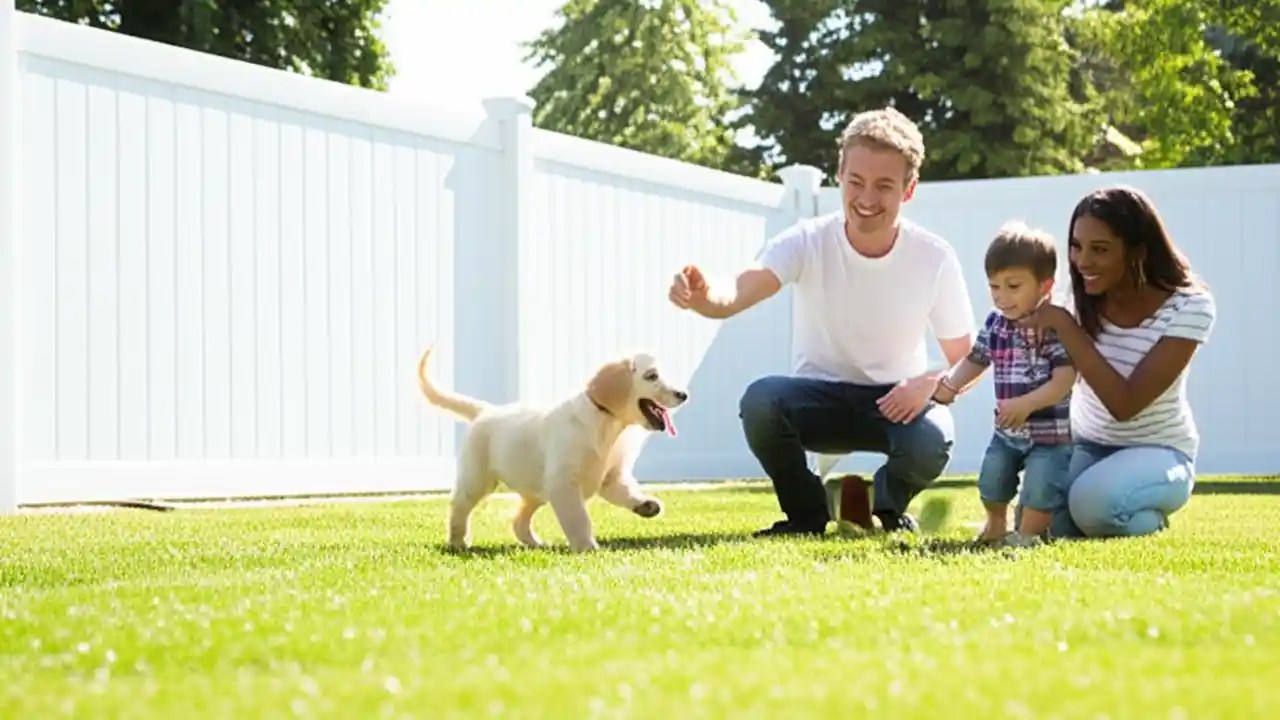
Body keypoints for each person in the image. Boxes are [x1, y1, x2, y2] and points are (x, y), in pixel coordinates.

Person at [667, 106, 975, 536]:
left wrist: (925, 385)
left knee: (934, 434)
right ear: (839, 175)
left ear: (909, 189)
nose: (867, 199)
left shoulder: (934, 256)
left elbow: (967, 359)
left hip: (896, 404)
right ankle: (806, 514)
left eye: (884, 186)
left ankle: (885, 509)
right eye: (856, 182)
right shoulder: (807, 240)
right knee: (762, 401)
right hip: (817, 400)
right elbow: (739, 290)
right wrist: (704, 297)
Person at [1016, 186, 1215, 537]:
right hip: (1087, 444)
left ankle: (1147, 519)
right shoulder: (1079, 302)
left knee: (1091, 506)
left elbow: (1125, 404)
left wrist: (1065, 325)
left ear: (1137, 252)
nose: (1082, 261)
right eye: (1076, 247)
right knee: (1039, 521)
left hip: (1158, 451)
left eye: (1100, 250)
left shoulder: (1189, 308)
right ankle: (1110, 515)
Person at [932, 221, 1076, 548]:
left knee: (1040, 488)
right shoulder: (996, 323)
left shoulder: (1054, 326)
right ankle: (996, 525)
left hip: (1048, 435)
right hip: (1007, 431)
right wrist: (950, 385)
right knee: (992, 480)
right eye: (994, 287)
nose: (1001, 297)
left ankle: (1028, 535)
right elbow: (976, 358)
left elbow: (1065, 380)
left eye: (1013, 286)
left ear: (1045, 285)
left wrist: (1027, 404)